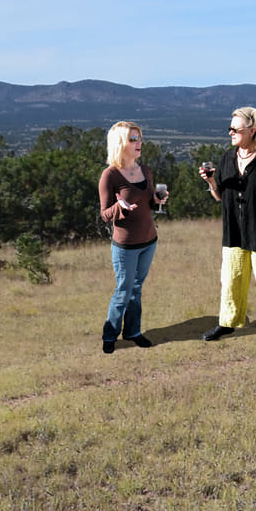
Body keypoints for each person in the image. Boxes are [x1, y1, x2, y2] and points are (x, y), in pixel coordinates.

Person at [199, 105, 256, 349]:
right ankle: (227, 323)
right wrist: (210, 182)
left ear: (252, 130)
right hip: (234, 233)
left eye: (235, 129)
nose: (230, 133)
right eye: (229, 129)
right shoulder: (227, 159)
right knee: (231, 281)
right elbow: (219, 196)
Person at [98, 120, 167, 353]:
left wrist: (156, 201)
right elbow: (105, 215)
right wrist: (121, 208)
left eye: (140, 138)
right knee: (123, 290)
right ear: (120, 143)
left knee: (137, 288)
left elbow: (146, 201)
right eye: (133, 139)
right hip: (126, 245)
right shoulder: (110, 176)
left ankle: (133, 331)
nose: (139, 143)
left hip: (149, 240)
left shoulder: (145, 170)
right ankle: (110, 335)